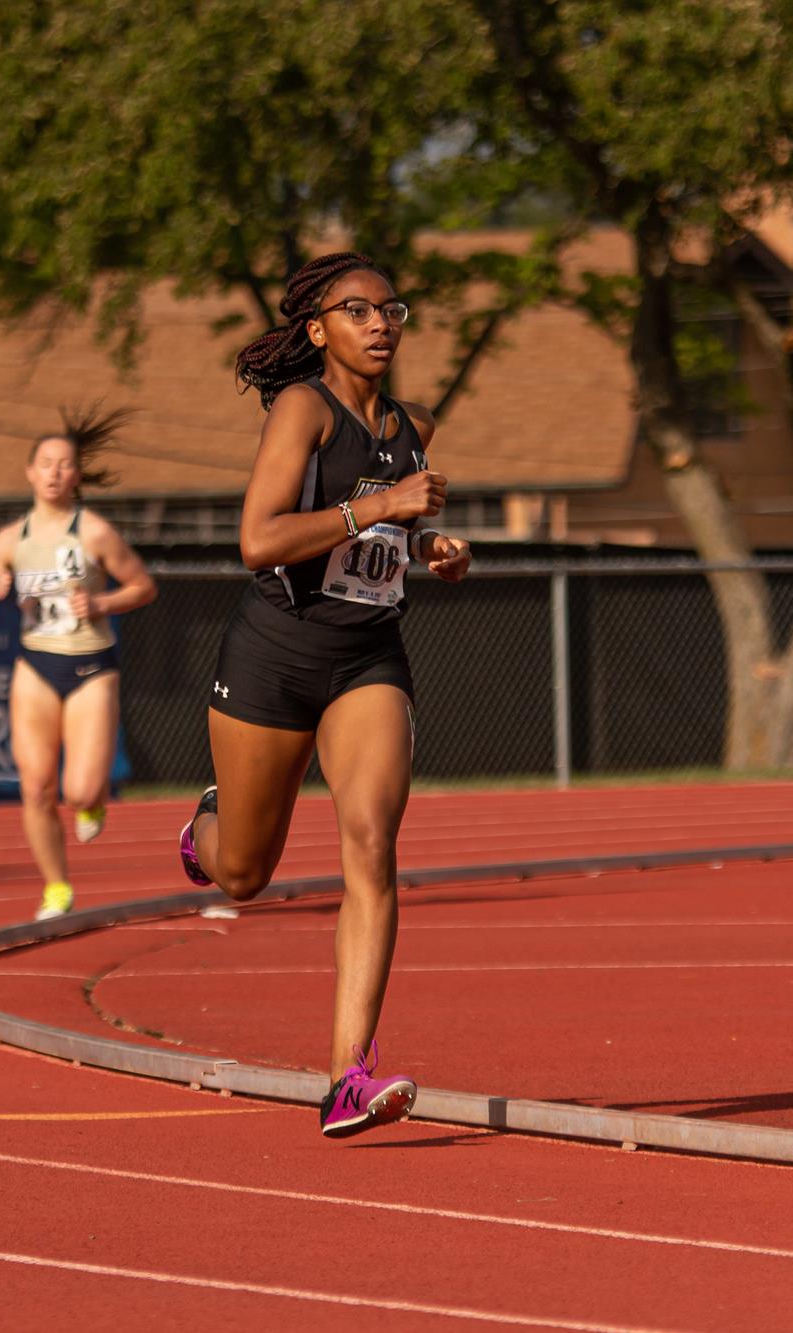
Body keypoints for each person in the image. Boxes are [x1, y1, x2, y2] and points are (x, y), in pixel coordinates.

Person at [178, 252, 473, 1139]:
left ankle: (348, 1074)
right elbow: (258, 539)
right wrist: (380, 504)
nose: (382, 324)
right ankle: (207, 822)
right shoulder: (304, 409)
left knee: (373, 845)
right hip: (275, 652)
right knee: (244, 874)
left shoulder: (413, 424)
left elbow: (396, 539)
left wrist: (435, 550)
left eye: (393, 310)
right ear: (319, 328)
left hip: (368, 655)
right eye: (360, 310)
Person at [0, 406, 157, 921]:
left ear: (76, 476)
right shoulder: (8, 542)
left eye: (64, 464)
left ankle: (92, 801)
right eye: (45, 463)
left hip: (90, 666)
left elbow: (143, 586)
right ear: (30, 472)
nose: (53, 472)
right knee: (35, 786)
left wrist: (101, 604)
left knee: (80, 789)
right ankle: (56, 888)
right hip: (35, 666)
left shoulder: (93, 532)